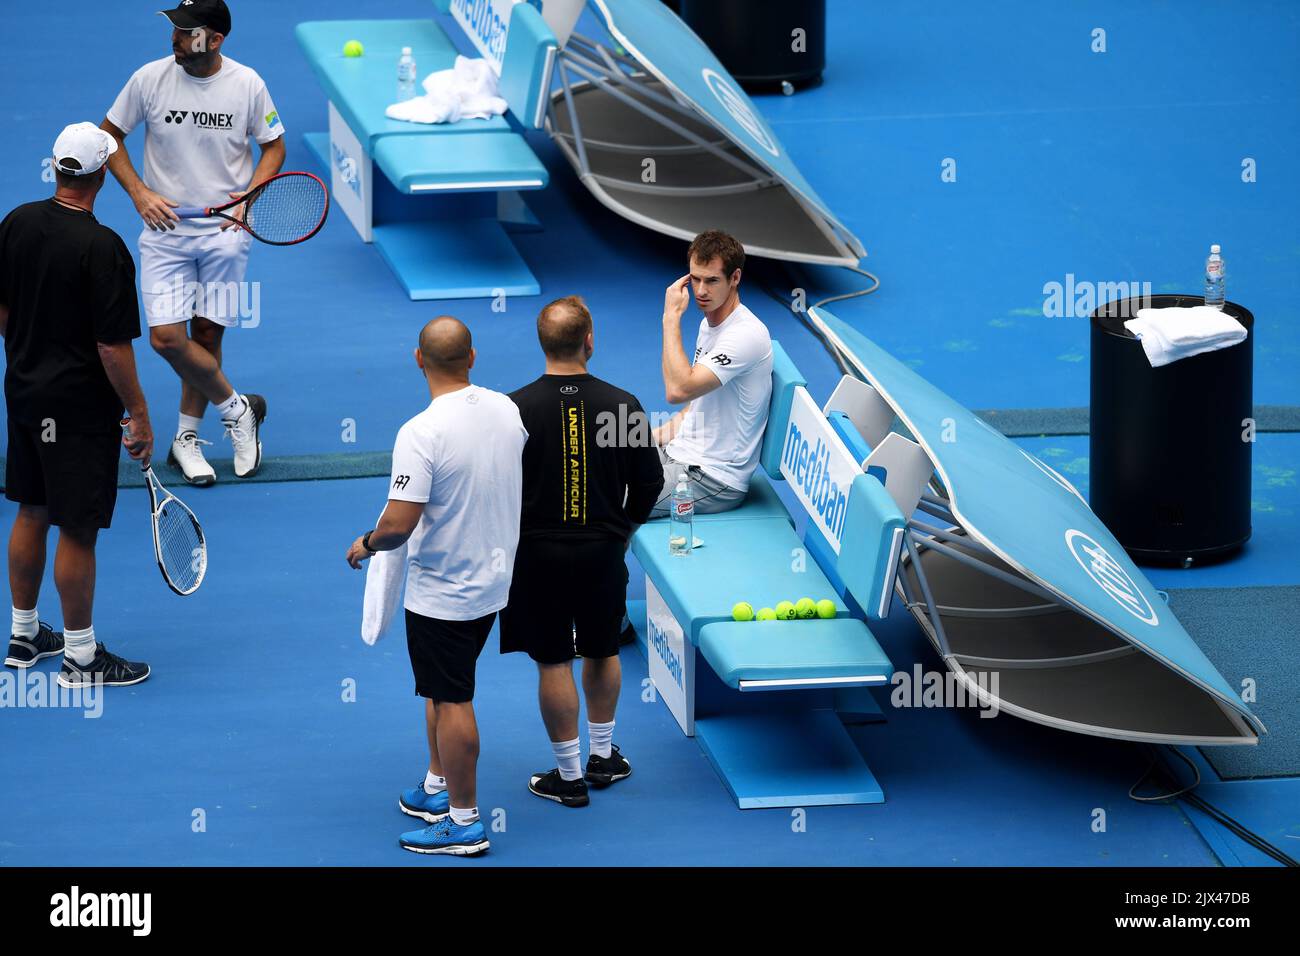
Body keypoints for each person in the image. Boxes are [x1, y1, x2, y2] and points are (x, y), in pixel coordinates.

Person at [345, 317, 527, 857]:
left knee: (452, 698)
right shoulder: (507, 409)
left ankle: (464, 821)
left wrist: (366, 542)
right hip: (494, 580)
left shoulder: (419, 433)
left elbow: (398, 525)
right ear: (471, 357)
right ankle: (435, 787)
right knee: (440, 687)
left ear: (417, 359)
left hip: (445, 592)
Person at [101, 0, 282, 485]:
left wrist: (249, 197)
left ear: (215, 39)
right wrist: (139, 193)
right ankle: (238, 408)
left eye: (186, 31)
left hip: (226, 233)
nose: (175, 37)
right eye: (175, 29)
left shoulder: (248, 84)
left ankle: (186, 439)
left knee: (207, 335)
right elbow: (109, 137)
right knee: (166, 339)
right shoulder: (149, 79)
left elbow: (274, 146)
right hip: (165, 233)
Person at [1, 122, 154, 686]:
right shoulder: (103, 247)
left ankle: (23, 635)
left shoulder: (15, 222)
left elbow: (4, 309)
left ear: (59, 167)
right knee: (77, 527)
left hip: (24, 392)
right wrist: (137, 413)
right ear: (99, 176)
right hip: (76, 410)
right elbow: (111, 348)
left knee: (31, 508)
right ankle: (81, 658)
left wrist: (25, 356)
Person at [499, 296, 664, 808]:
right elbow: (650, 482)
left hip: (536, 555)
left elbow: (497, 488)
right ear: (589, 340)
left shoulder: (513, 409)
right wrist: (623, 529)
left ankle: (569, 777)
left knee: (553, 662)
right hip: (601, 551)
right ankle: (602, 756)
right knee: (602, 648)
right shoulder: (624, 405)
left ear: (541, 342)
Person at [651, 229, 774, 516]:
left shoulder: (745, 335)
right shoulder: (711, 325)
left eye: (712, 280)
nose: (701, 291)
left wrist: (670, 319)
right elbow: (691, 407)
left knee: (605, 496)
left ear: (735, 278)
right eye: (695, 279)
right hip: (680, 455)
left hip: (713, 478)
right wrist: (647, 438)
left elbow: (677, 390)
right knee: (597, 465)